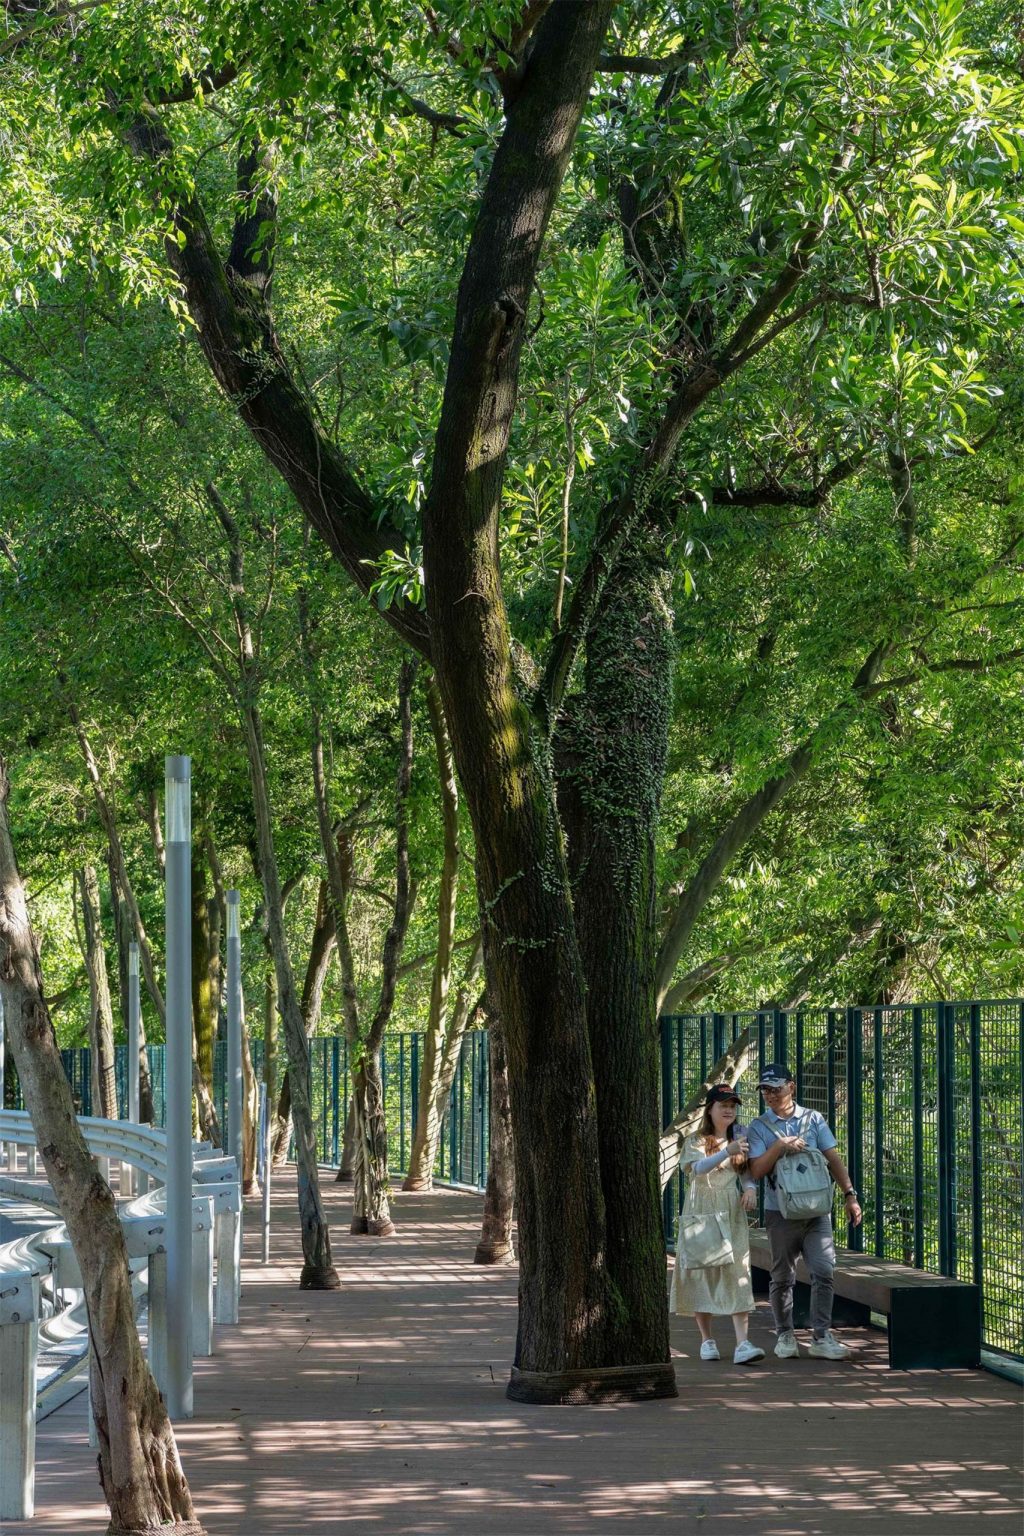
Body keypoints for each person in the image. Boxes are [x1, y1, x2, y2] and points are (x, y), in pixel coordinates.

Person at [746, 1063, 864, 1361]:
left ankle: (822, 1336)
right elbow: (757, 1170)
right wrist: (780, 1147)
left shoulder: (813, 1119)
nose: (770, 1095)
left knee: (824, 1270)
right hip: (780, 1213)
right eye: (765, 1090)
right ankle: (784, 1334)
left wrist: (850, 1195)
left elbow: (833, 1158)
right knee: (782, 1276)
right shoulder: (759, 1127)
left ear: (791, 1086)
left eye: (776, 1088)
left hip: (817, 1212)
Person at [670, 1083, 765, 1365]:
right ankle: (706, 1340)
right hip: (702, 1209)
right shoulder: (696, 1140)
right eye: (723, 1105)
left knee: (738, 1269)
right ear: (709, 1109)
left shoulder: (742, 1135)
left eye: (733, 1106)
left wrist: (750, 1189)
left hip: (731, 1209)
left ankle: (743, 1343)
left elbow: (745, 1172)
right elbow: (697, 1169)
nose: (728, 1110)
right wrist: (726, 1151)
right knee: (703, 1270)